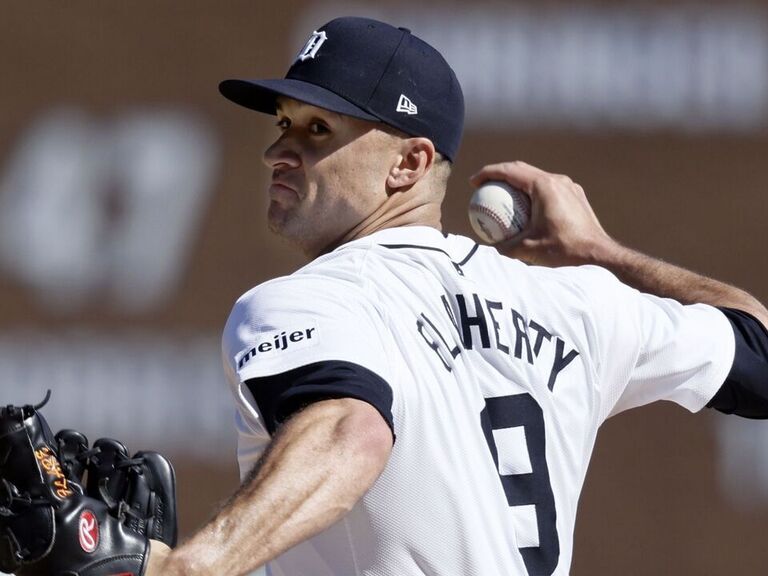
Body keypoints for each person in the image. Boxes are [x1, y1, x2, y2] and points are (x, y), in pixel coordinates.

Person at [148, 16, 768, 576]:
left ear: (409, 164)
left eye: (317, 129)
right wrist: (605, 254)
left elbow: (351, 431)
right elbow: (758, 354)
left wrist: (191, 570)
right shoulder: (576, 304)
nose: (277, 152)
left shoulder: (307, 301)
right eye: (284, 123)